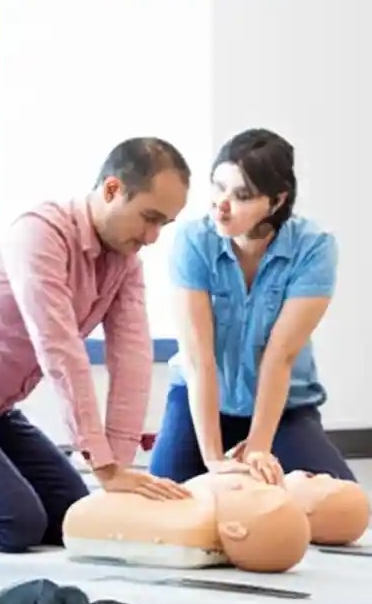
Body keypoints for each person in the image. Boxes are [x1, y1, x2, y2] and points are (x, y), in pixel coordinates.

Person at [0, 137, 194, 554]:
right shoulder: (39, 232)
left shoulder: (124, 261)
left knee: (71, 516)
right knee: (12, 522)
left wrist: (117, 467)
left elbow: (131, 356)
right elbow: (59, 348)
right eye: (148, 218)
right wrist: (102, 463)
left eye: (163, 225)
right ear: (113, 189)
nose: (152, 237)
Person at [149, 128, 355, 485]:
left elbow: (280, 356)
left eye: (242, 195)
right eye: (217, 186)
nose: (221, 204)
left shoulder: (314, 248)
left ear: (276, 202)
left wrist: (258, 450)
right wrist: (214, 459)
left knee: (341, 502)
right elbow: (200, 359)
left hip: (285, 408)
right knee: (169, 497)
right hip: (200, 399)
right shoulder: (193, 241)